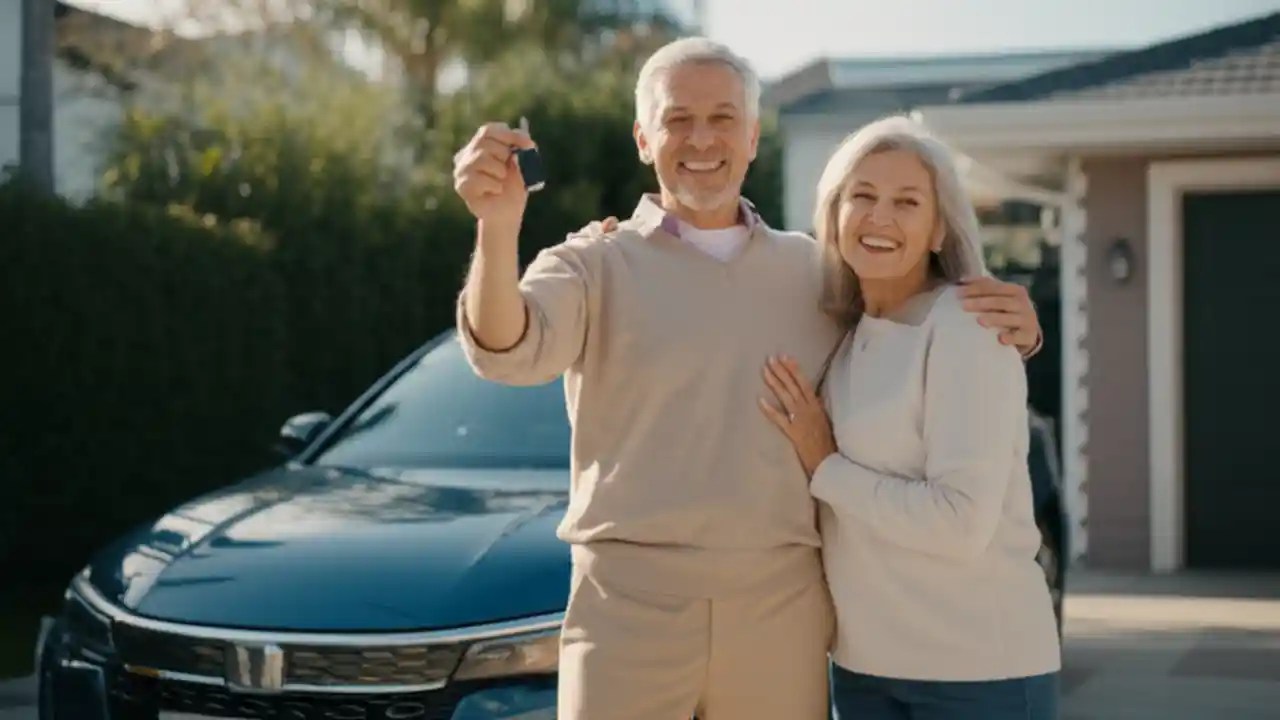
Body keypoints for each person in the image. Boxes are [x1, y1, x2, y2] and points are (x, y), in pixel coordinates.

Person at [450, 37, 1043, 720]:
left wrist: (1008, 326)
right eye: (678, 119)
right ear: (644, 139)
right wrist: (498, 231)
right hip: (627, 607)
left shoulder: (819, 271)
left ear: (754, 137)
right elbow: (504, 345)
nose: (702, 139)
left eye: (723, 118)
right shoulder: (590, 262)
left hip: (781, 607)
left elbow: (910, 324)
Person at [759, 115, 1061, 720]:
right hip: (865, 669)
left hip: (977, 670)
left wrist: (826, 465)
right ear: (834, 212)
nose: (880, 218)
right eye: (862, 196)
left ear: (937, 228)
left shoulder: (968, 326)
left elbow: (958, 523)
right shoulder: (841, 333)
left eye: (906, 202)